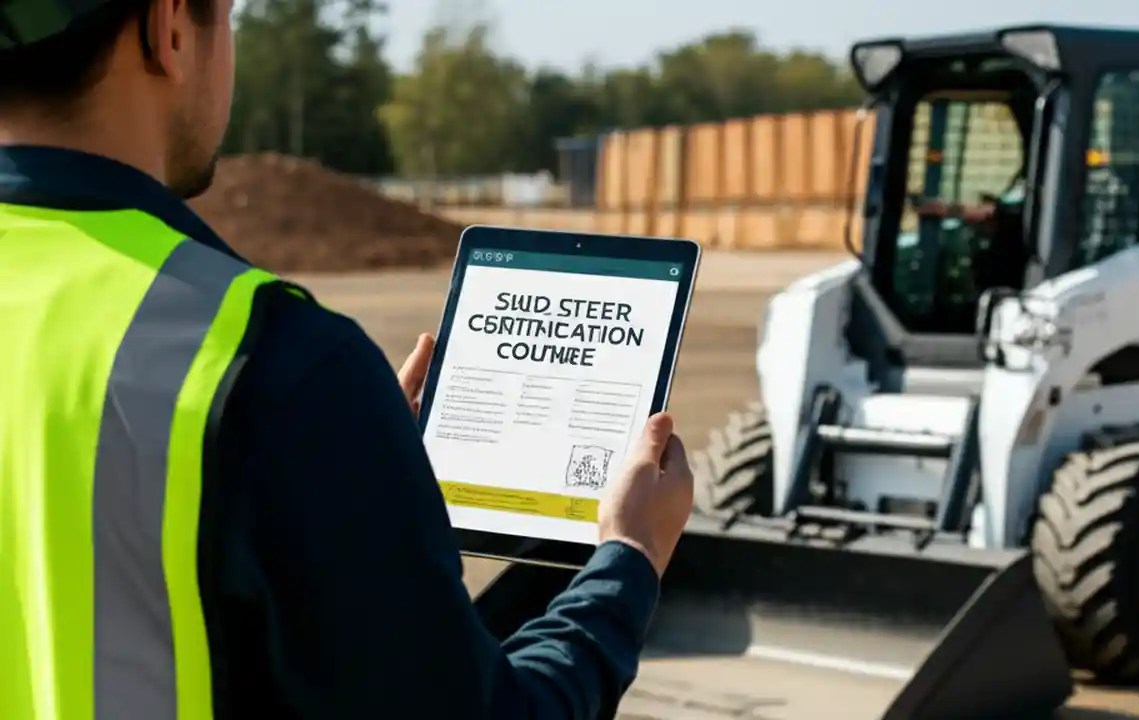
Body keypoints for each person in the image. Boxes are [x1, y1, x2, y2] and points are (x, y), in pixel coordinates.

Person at [0, 1, 694, 718]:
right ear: (170, 28)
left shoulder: (290, 390)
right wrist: (630, 557)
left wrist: (342, 457)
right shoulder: (271, 364)